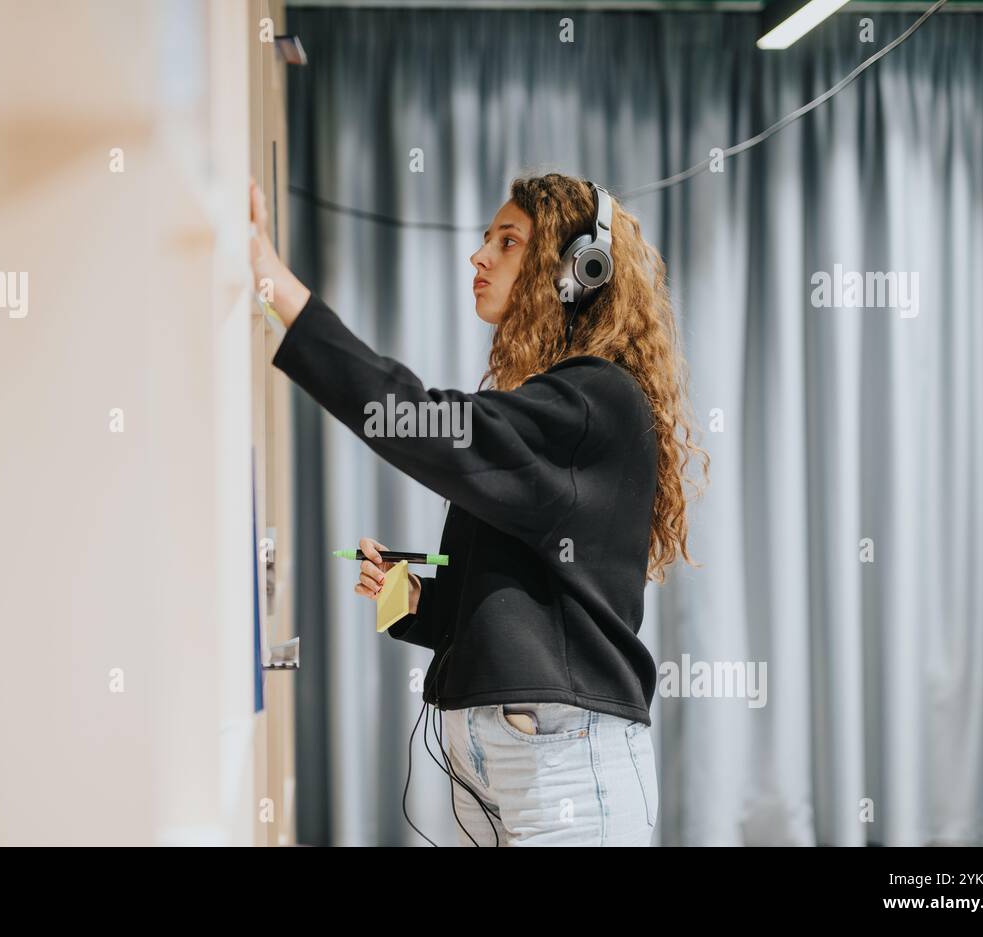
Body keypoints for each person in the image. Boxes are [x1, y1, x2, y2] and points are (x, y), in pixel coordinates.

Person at [249, 171, 708, 845]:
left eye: (508, 241)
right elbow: (512, 604)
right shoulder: (551, 407)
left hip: (566, 768)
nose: (479, 255)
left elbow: (418, 420)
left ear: (576, 270)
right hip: (504, 768)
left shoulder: (596, 400)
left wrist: (279, 289)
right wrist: (411, 601)